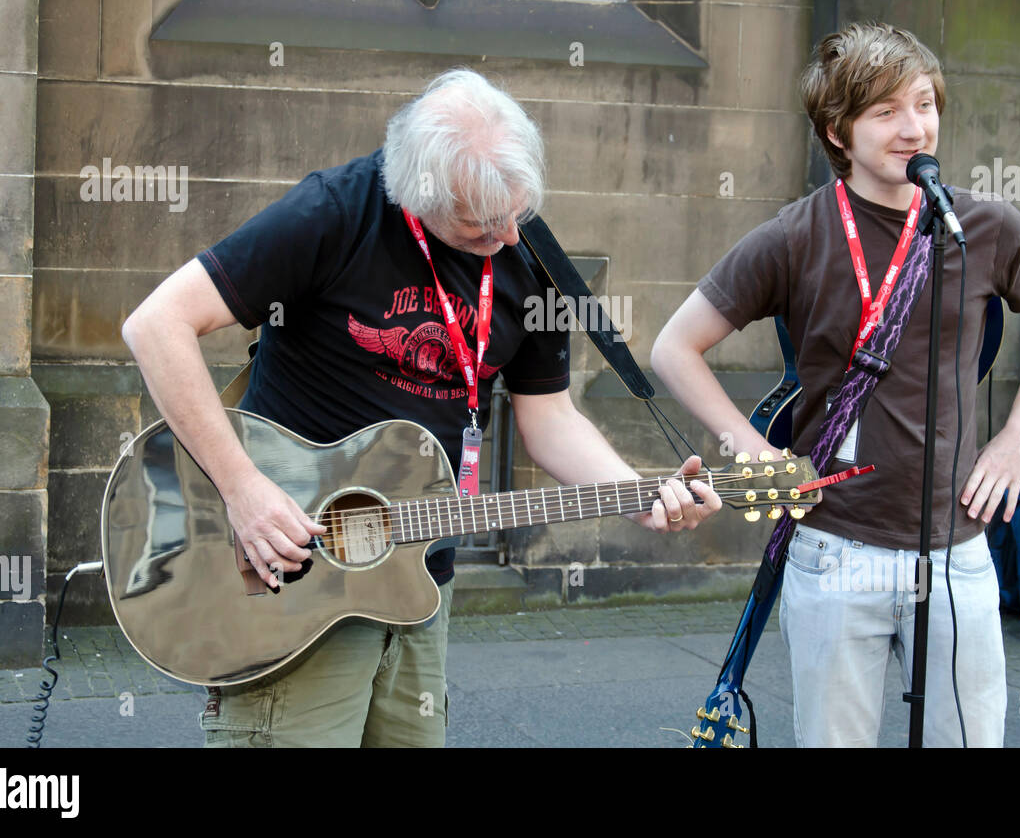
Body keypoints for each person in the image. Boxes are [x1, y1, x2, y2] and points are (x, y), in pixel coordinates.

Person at [121, 68, 722, 747]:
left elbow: (549, 416)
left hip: (417, 587)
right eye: (477, 226)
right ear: (416, 194)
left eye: (515, 214)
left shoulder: (526, 251)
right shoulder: (333, 213)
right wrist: (243, 489)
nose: (505, 238)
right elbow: (156, 325)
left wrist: (635, 493)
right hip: (290, 577)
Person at [651, 22, 1020, 747]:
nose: (914, 128)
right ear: (838, 131)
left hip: (957, 548)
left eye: (924, 103)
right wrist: (750, 446)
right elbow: (674, 346)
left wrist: (1018, 434)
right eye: (886, 112)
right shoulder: (797, 235)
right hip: (834, 546)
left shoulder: (982, 225)